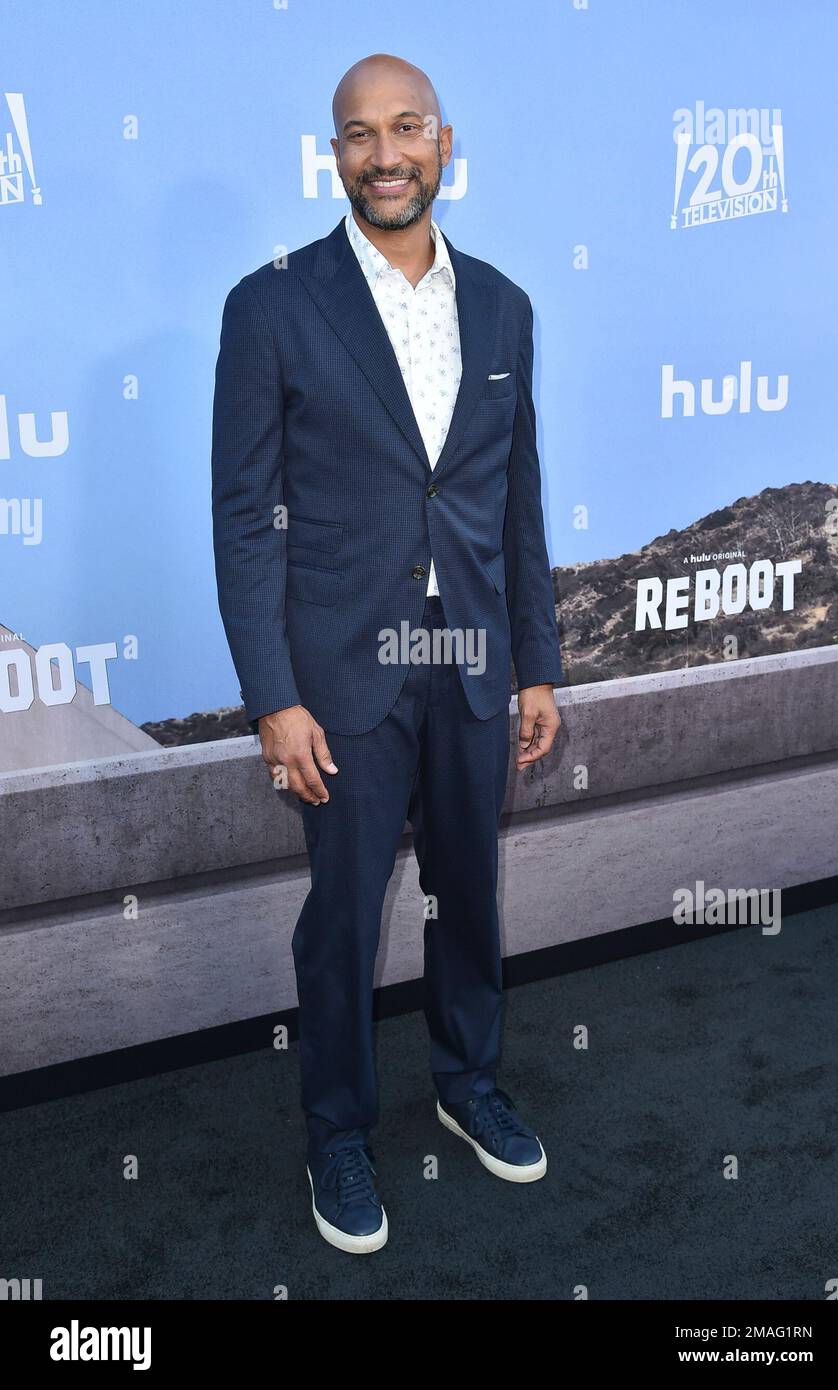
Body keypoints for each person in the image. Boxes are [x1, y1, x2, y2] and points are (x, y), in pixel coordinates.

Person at [211, 52, 563, 1254]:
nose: (383, 153)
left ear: (444, 145)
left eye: (404, 127)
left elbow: (516, 503)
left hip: (469, 657)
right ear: (335, 157)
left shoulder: (506, 304)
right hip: (340, 673)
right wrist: (273, 697)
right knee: (344, 916)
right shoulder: (270, 304)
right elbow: (243, 515)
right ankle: (339, 1136)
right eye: (357, 135)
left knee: (469, 892)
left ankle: (467, 1087)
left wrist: (535, 663)